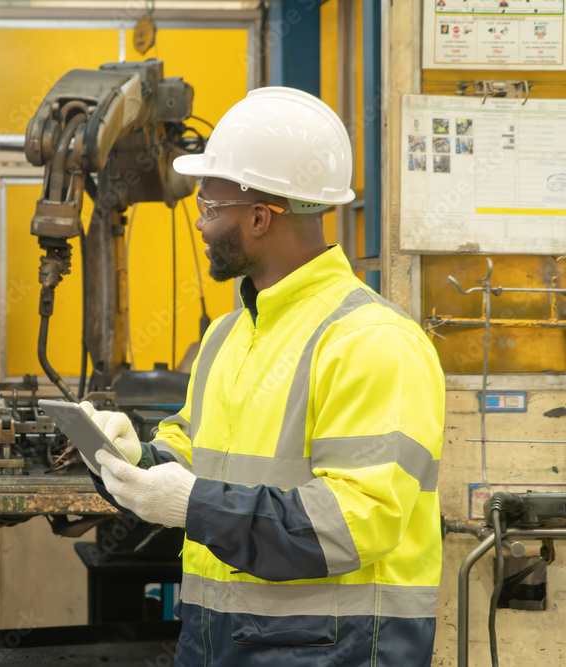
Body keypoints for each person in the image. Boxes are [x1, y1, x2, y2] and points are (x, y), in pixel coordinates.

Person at [80, 87, 445, 666]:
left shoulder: (372, 341)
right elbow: (196, 457)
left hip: (332, 650)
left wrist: (191, 505)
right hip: (220, 640)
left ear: (258, 216)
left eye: (208, 207)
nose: (199, 224)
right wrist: (137, 461)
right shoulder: (230, 335)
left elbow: (352, 524)